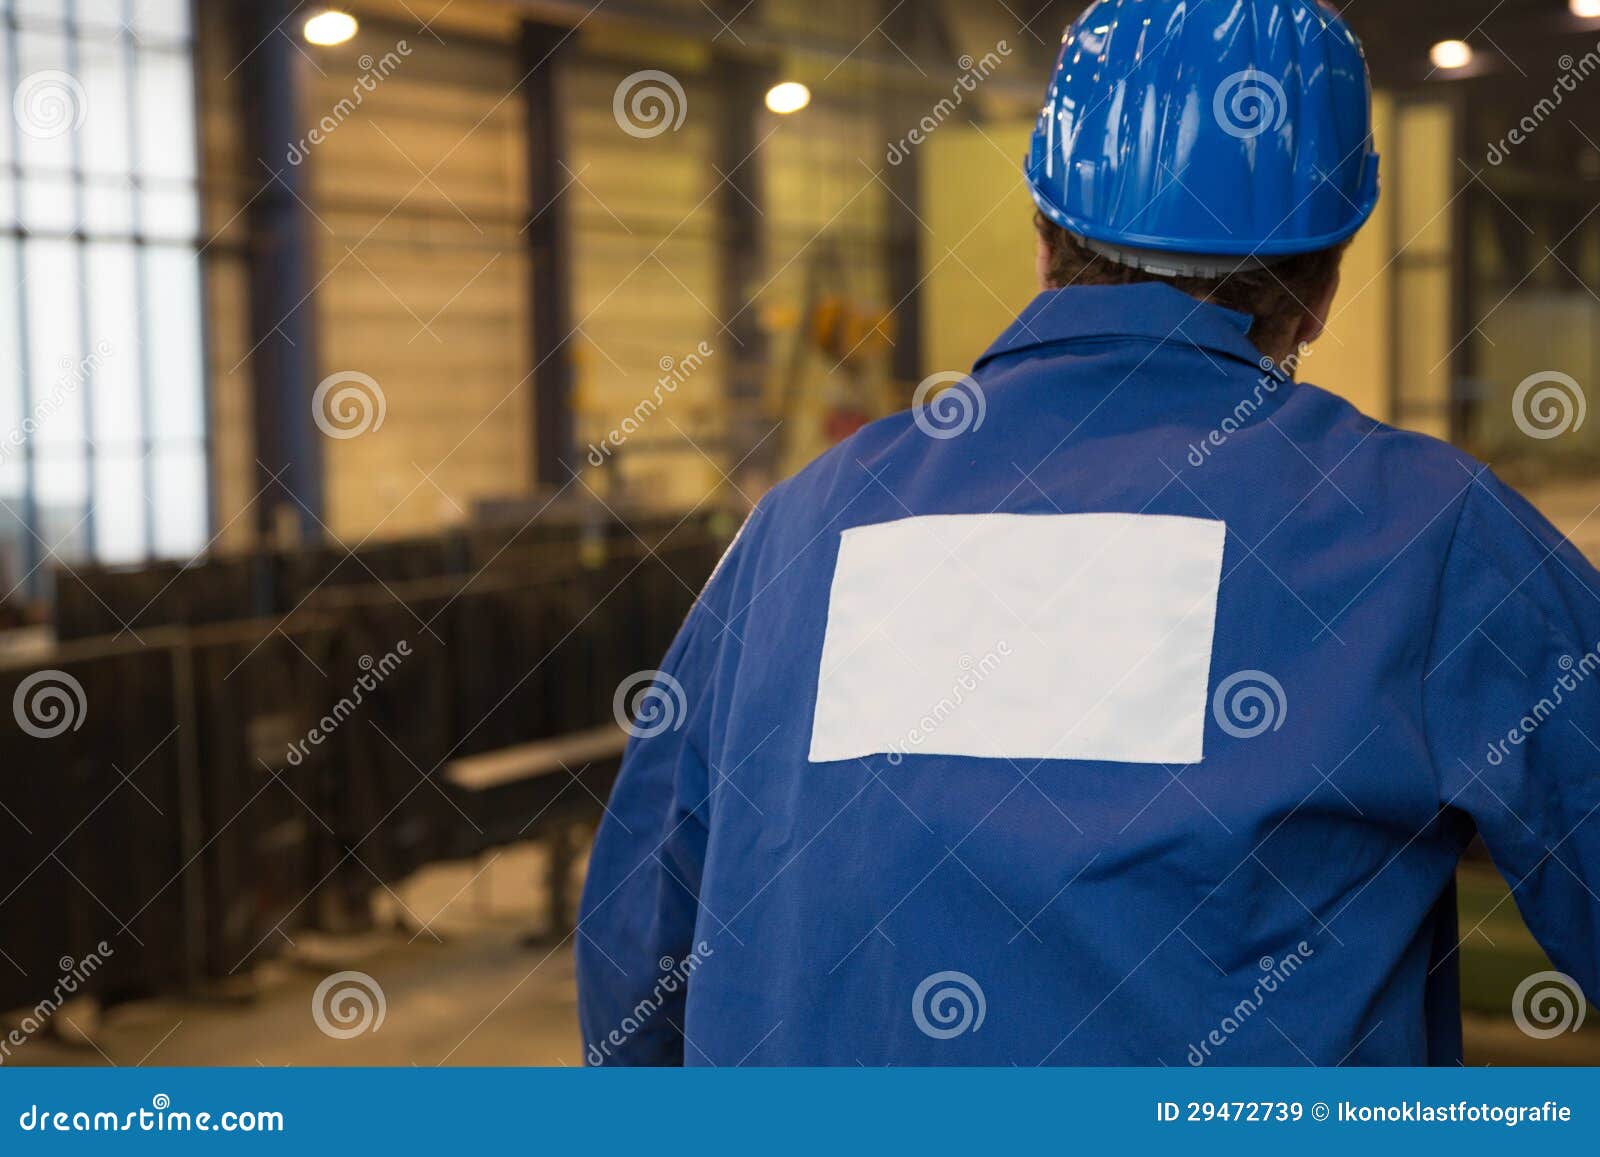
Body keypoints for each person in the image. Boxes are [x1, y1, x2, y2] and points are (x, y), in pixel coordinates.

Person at [576, 0, 1600, 1065]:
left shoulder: (798, 528)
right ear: (1321, 290)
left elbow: (633, 968)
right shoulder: (1427, 534)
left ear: (1041, 241)